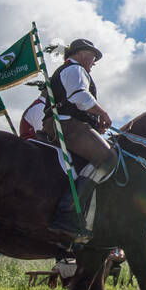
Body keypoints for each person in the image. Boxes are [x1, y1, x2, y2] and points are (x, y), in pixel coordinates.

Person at [46, 38, 116, 240]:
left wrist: (95, 123)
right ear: (82, 53)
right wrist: (103, 113)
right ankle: (68, 210)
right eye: (94, 57)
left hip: (66, 122)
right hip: (66, 124)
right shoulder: (75, 69)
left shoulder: (70, 69)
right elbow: (79, 97)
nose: (94, 62)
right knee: (108, 157)